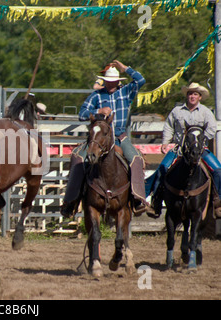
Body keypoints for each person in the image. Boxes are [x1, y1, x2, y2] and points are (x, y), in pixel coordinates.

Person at [62, 60, 154, 217]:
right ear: (104, 81)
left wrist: (125, 69)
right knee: (78, 158)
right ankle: (72, 200)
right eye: (108, 81)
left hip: (119, 137)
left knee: (136, 159)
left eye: (113, 81)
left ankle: (138, 199)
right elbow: (82, 114)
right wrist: (98, 110)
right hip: (98, 139)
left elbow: (141, 80)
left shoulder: (126, 91)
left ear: (118, 82)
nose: (111, 84)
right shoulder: (97, 95)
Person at [145, 82, 221, 218]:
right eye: (190, 93)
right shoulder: (177, 111)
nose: (192, 96)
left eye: (195, 94)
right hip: (179, 149)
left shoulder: (205, 112)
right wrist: (165, 142)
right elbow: (169, 126)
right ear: (187, 96)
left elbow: (212, 128)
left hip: (200, 149)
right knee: (162, 168)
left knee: (218, 170)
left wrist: (201, 141)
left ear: (200, 97)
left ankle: (218, 202)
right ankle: (155, 202)